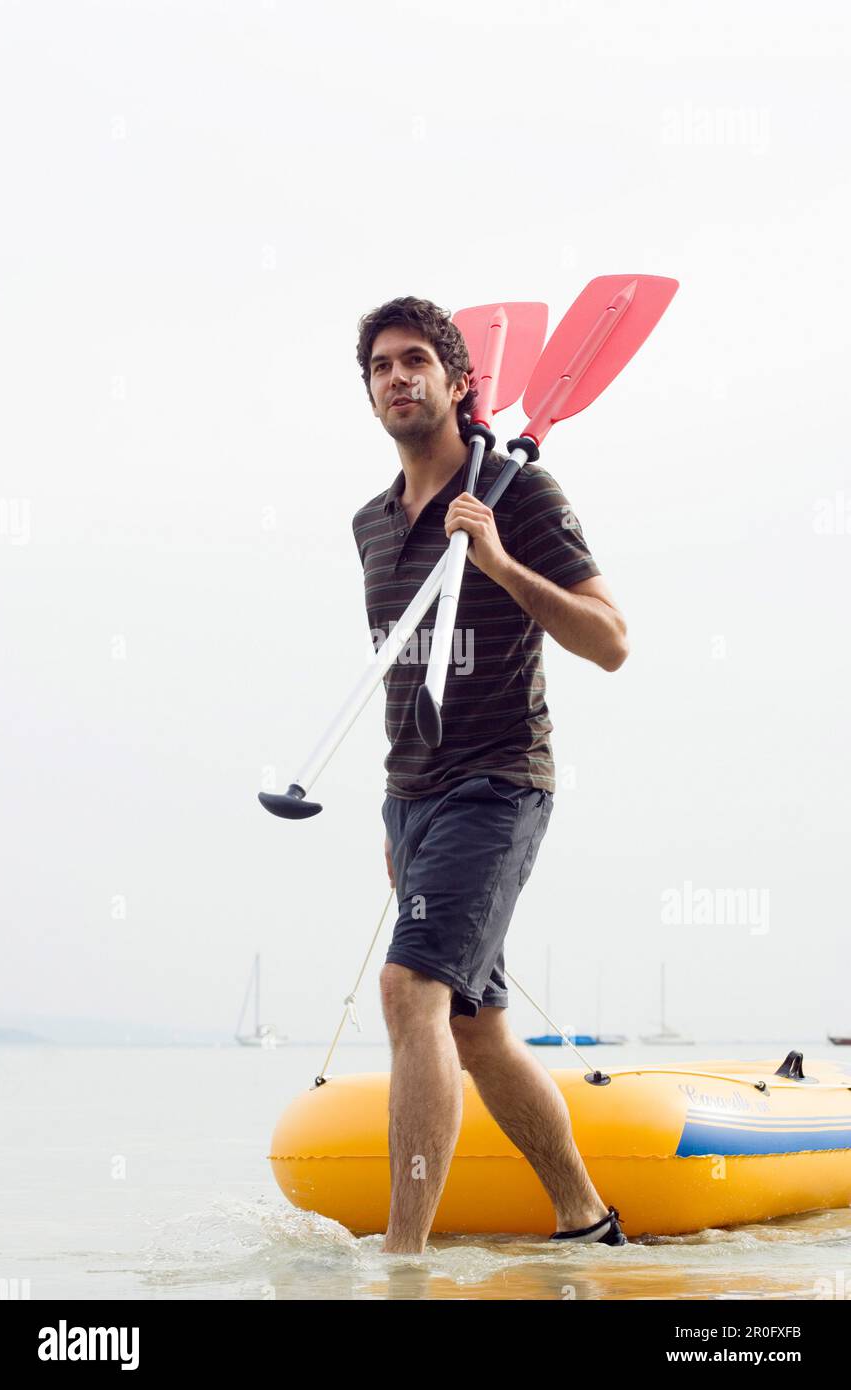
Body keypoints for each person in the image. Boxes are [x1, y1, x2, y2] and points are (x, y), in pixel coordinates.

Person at [352, 296, 629, 1255]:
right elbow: (401, 669)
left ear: (461, 382)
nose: (398, 377)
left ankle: (402, 1263)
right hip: (416, 798)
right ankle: (586, 1221)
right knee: (475, 1028)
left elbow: (610, 643)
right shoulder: (372, 526)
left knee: (408, 990)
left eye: (417, 359)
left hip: (500, 781)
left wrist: (501, 561)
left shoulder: (517, 495)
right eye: (382, 365)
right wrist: (392, 816)